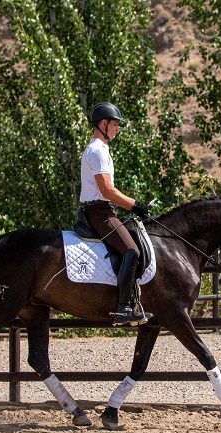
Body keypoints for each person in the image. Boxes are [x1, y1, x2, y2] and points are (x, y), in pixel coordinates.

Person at [80, 102, 152, 325]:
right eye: (115, 124)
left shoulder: (101, 150)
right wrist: (135, 205)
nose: (118, 128)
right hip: (99, 212)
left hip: (104, 209)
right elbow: (107, 190)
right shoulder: (97, 151)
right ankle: (123, 308)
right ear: (103, 124)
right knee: (132, 250)